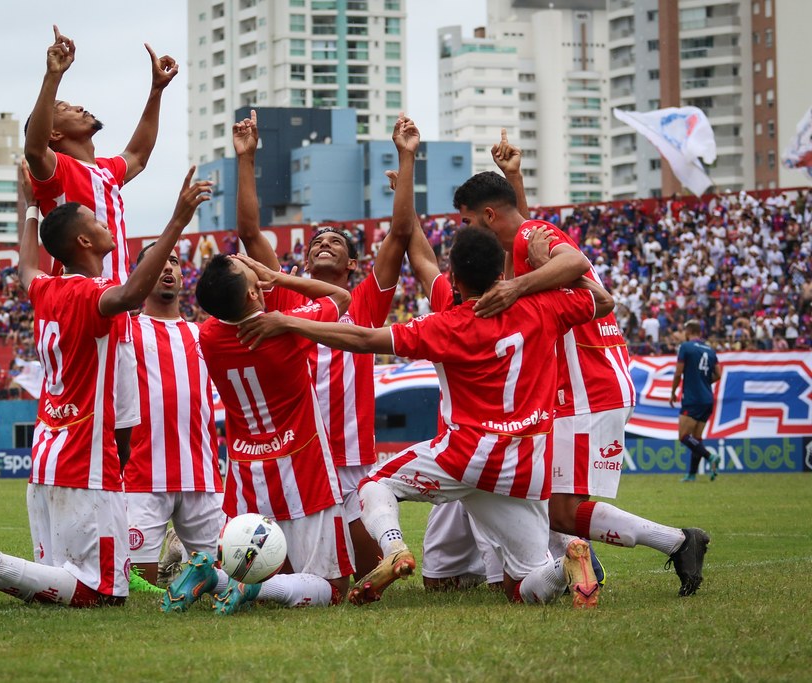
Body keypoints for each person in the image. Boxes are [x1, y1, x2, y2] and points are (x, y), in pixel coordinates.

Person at [238, 226, 613, 607]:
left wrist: (289, 322)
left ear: (453, 278)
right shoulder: (544, 306)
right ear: (501, 274)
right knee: (522, 588)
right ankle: (566, 563)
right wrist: (542, 271)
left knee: (375, 485)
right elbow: (602, 300)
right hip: (524, 466)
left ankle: (395, 548)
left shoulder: (445, 324)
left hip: (464, 456)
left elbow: (364, 339)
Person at [0, 165, 211, 613]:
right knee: (104, 593)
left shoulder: (46, 289)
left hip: (48, 455)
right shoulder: (93, 294)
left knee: (61, 584)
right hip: (85, 462)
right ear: (84, 241)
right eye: (95, 220)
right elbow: (131, 294)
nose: (105, 223)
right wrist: (177, 221)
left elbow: (26, 266)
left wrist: (31, 205)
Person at [454, 132, 710, 599]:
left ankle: (674, 542)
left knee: (562, 510)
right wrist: (514, 178)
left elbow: (572, 259)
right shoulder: (524, 242)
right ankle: (577, 562)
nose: (464, 231)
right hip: (582, 385)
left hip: (588, 385)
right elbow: (526, 235)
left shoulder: (532, 240)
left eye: (467, 220)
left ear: (488, 216)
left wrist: (516, 287)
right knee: (550, 502)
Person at [230, 110, 414, 580]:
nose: (324, 244)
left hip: (351, 453)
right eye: (316, 242)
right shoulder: (286, 295)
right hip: (299, 450)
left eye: (335, 241)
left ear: (352, 264)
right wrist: (246, 159)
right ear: (305, 259)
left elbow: (400, 233)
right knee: (287, 569)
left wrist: (406, 158)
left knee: (363, 569)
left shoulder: (367, 300)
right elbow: (249, 234)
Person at [162, 249, 354, 615]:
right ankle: (251, 589)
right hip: (304, 467)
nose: (253, 268)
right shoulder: (285, 329)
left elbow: (226, 309)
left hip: (247, 474)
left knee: (262, 566)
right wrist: (278, 278)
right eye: (247, 269)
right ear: (253, 292)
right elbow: (341, 296)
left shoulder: (209, 336)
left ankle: (212, 578)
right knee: (334, 587)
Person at [24, 26, 178, 466]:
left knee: (124, 429)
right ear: (55, 133)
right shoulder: (54, 169)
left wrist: (156, 91)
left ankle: (120, 499)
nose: (77, 106)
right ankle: (67, 487)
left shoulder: (106, 170)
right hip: (82, 310)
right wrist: (53, 76)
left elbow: (139, 155)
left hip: (119, 310)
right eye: (65, 108)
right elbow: (33, 148)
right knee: (84, 422)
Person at [123, 243, 224, 585]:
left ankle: (178, 549)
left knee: (219, 581)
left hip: (202, 476)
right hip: (143, 477)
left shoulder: (203, 334)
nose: (167, 267)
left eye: (174, 262)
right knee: (139, 584)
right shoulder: (125, 331)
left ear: (182, 276)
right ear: (140, 275)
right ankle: (174, 551)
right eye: (158, 261)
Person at [670, 319, 722, 482]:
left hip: (692, 398)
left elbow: (678, 373)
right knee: (696, 438)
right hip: (707, 399)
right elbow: (718, 374)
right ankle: (692, 474)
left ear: (689, 331)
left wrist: (673, 392)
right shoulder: (710, 350)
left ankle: (710, 456)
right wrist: (704, 383)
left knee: (684, 436)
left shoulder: (686, 347)